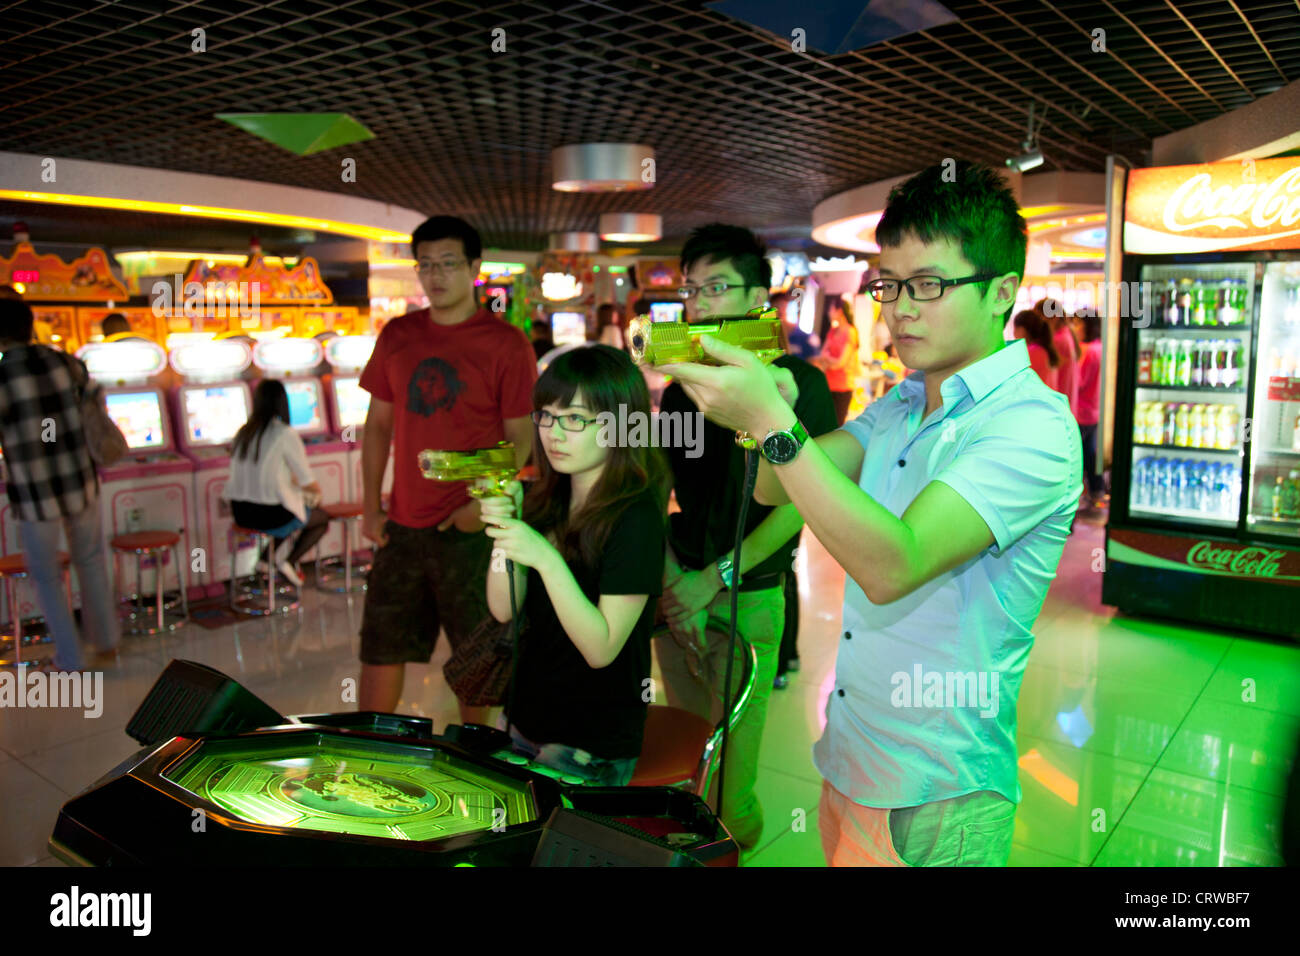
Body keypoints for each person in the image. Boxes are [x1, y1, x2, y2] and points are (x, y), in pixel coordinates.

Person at [660, 161, 1081, 866]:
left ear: (1002, 291)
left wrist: (772, 420)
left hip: (937, 789)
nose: (900, 309)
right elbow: (774, 489)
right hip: (853, 756)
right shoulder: (905, 400)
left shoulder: (1033, 425)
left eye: (930, 285)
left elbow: (894, 564)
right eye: (890, 285)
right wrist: (759, 405)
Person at [657, 223, 836, 851]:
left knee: (730, 789)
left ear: (758, 296)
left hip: (749, 592)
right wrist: (674, 579)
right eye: (690, 290)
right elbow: (660, 488)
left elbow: (799, 508)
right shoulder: (682, 392)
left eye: (717, 288)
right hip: (678, 590)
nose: (699, 304)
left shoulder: (798, 387)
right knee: (686, 762)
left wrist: (716, 578)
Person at [357, 215, 536, 723]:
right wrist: (372, 507)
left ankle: (474, 767)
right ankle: (367, 753)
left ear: (474, 267)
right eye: (426, 265)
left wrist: (479, 507)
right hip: (403, 528)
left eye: (449, 264)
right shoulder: (398, 335)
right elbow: (376, 428)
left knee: (475, 661)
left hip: (470, 533)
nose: (436, 276)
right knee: (379, 649)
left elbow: (521, 438)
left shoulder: (506, 344)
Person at [480, 346, 668, 785]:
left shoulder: (634, 517)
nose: (553, 434)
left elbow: (601, 647)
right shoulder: (548, 496)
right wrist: (504, 530)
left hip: (590, 740)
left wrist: (545, 557)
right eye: (545, 415)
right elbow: (502, 609)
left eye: (576, 419)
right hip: (526, 715)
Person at [0, 298, 119, 671]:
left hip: (36, 493)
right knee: (90, 560)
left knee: (47, 575)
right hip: (80, 481)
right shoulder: (68, 362)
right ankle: (106, 642)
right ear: (29, 325)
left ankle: (71, 657)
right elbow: (95, 405)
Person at [222, 379, 331, 586]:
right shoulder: (284, 433)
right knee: (319, 517)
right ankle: (288, 562)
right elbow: (307, 479)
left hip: (240, 512)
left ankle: (265, 559)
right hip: (270, 514)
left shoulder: (243, 432)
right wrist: (316, 495)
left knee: (293, 508)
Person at [1072, 312, 1106, 508]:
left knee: (1079, 457)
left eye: (1078, 323)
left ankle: (1080, 496)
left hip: (1082, 410)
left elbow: (1080, 381)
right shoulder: (1101, 347)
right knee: (1091, 455)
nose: (1076, 328)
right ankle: (1096, 492)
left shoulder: (1088, 351)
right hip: (1095, 410)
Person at [816, 294, 861, 426]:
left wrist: (828, 359)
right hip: (828, 384)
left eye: (831, 309)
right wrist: (830, 360)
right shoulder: (832, 330)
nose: (829, 313)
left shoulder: (851, 332)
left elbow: (840, 363)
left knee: (837, 425)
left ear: (839, 311)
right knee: (826, 425)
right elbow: (822, 354)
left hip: (843, 387)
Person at [1037, 298, 1078, 416]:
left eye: (1041, 319)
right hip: (1068, 405)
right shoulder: (1067, 333)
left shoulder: (1058, 341)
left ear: (1053, 317)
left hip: (1061, 406)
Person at [1011, 309, 1060, 390]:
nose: (1014, 333)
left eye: (1015, 328)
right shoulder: (1043, 350)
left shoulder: (1031, 353)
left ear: (1022, 330)